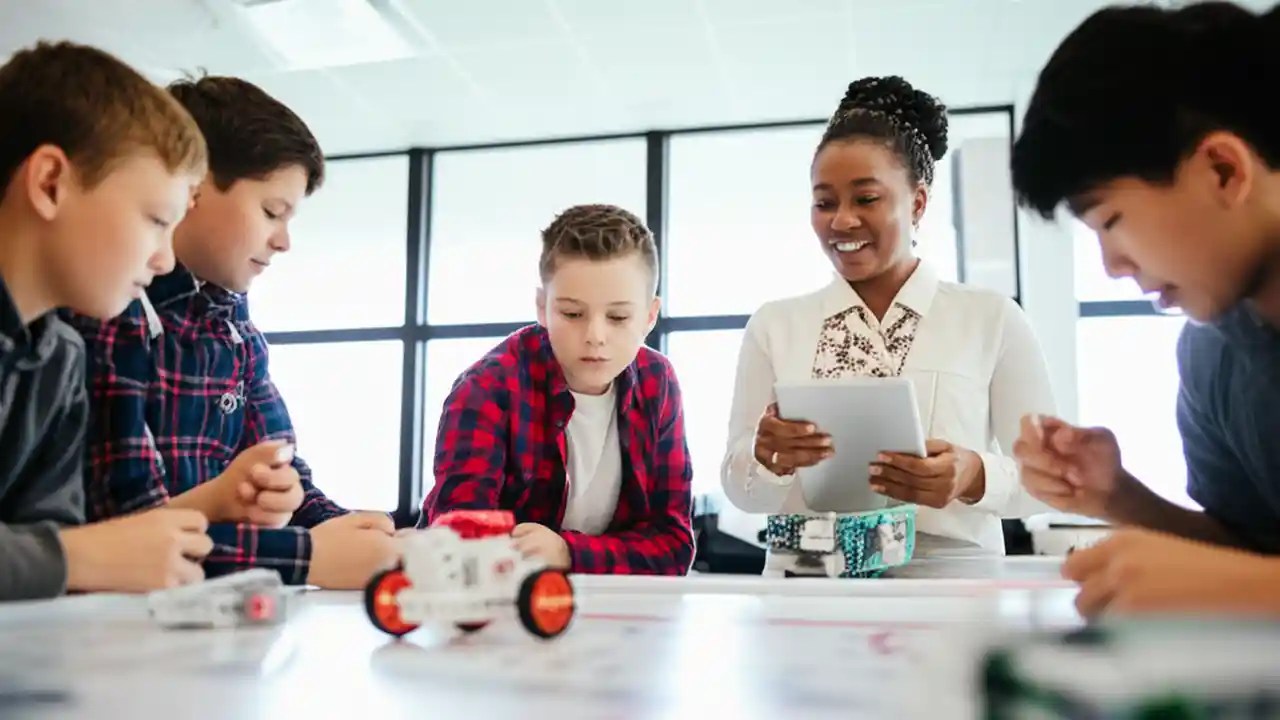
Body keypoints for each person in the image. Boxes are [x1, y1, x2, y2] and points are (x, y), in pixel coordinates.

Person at [69, 76, 397, 589]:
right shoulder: (111, 308)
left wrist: (343, 529)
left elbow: (282, 467)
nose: (284, 241)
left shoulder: (234, 324)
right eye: (271, 212)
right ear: (192, 190)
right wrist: (309, 554)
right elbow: (126, 529)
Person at [721, 76, 1056, 574]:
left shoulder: (991, 318)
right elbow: (738, 488)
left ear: (917, 202)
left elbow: (1046, 478)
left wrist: (973, 475)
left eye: (866, 199)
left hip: (949, 585)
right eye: (824, 201)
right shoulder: (776, 324)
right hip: (808, 583)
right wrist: (767, 457)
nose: (842, 221)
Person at [1010, 1, 1280, 615]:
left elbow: (1250, 583)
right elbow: (1253, 553)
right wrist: (1121, 500)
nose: (1112, 266)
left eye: (1113, 221)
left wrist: (1249, 593)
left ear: (1222, 169)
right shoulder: (1215, 357)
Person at [0, 41, 215, 600]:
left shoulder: (62, 361)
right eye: (155, 220)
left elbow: (48, 548)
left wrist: (75, 558)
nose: (166, 260)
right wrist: (77, 558)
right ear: (50, 183)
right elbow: (67, 556)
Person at [422, 204, 694, 575]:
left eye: (618, 317)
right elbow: (459, 543)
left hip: (615, 609)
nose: (595, 336)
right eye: (571, 313)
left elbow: (674, 545)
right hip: (493, 609)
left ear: (650, 316)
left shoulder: (656, 382)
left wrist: (568, 552)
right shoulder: (487, 389)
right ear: (542, 307)